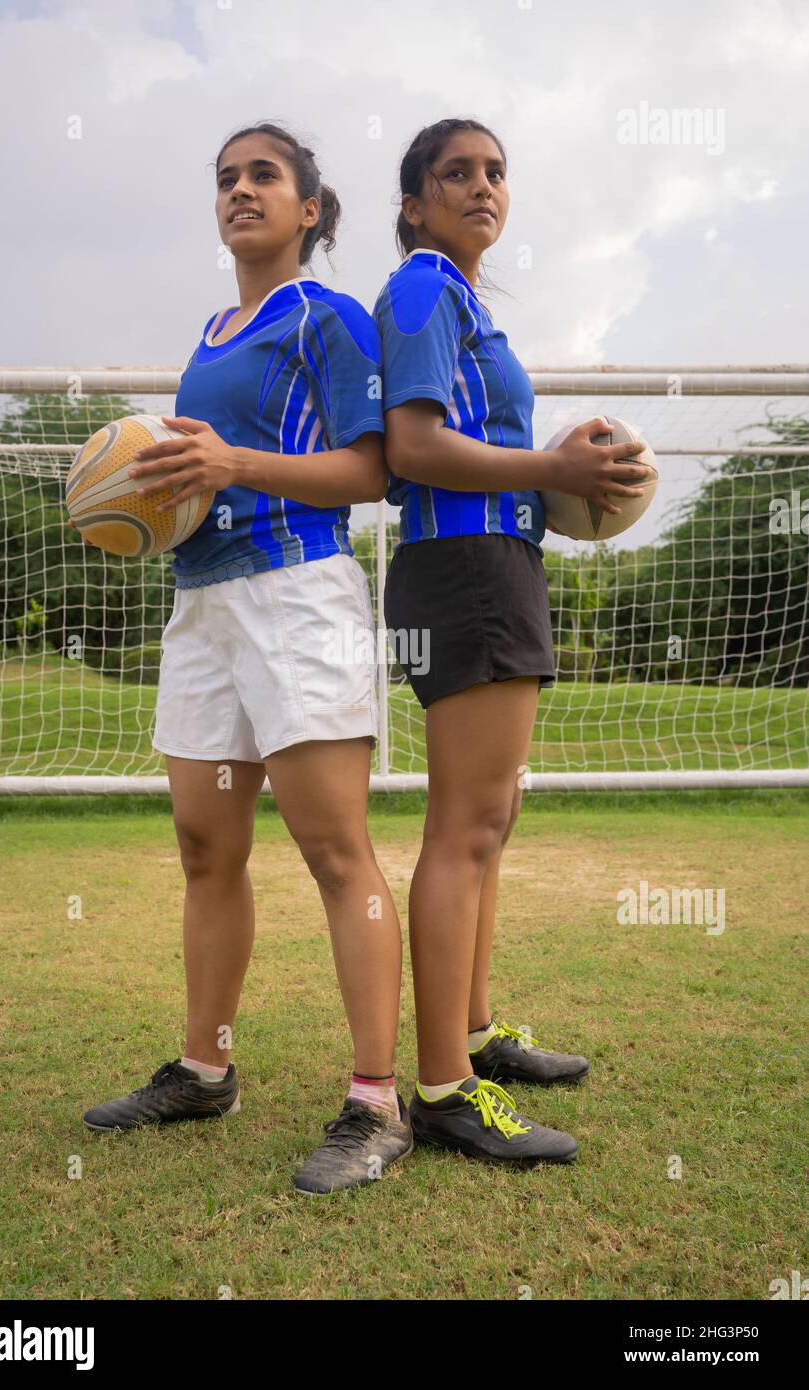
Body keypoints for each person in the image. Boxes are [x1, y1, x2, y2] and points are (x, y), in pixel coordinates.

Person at [80, 122, 411, 1195]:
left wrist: (232, 461)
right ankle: (203, 1066)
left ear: (309, 209)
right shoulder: (211, 333)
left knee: (332, 849)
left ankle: (375, 1101)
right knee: (202, 848)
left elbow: (372, 471)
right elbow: (200, 476)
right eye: (225, 178)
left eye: (263, 175)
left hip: (296, 599)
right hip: (204, 606)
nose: (240, 190)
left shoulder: (327, 316)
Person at [374, 118, 653, 1166]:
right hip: (463, 573)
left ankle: (477, 1034)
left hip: (497, 568)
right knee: (463, 826)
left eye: (494, 172)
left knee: (493, 818)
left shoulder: (461, 300)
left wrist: (553, 480)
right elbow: (410, 444)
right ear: (414, 202)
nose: (481, 186)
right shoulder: (418, 289)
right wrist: (549, 470)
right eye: (456, 173)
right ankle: (444, 1089)